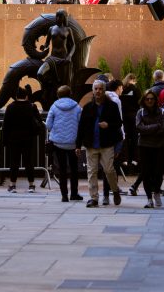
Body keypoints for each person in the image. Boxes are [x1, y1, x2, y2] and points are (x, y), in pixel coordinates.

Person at [76, 80, 122, 208]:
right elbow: (81, 127)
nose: (98, 91)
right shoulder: (87, 107)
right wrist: (78, 145)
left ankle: (115, 190)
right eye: (96, 89)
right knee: (92, 171)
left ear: (104, 90)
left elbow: (119, 123)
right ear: (93, 90)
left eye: (101, 89)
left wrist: (109, 125)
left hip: (107, 143)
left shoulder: (112, 106)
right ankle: (94, 198)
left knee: (109, 170)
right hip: (91, 144)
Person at [45, 86, 83, 202]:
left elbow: (48, 125)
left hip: (58, 143)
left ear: (58, 95)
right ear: (70, 94)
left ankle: (64, 195)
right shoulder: (77, 107)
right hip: (73, 143)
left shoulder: (54, 106)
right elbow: (81, 123)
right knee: (74, 169)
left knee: (62, 169)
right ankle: (74, 193)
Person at [3, 85, 43, 194]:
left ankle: (12, 185)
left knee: (14, 162)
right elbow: (39, 122)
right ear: (26, 96)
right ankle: (31, 185)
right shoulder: (32, 107)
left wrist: (5, 140)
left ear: (16, 96)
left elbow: (5, 125)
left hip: (13, 139)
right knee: (29, 162)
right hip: (28, 139)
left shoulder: (10, 107)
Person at [135, 90, 164, 208]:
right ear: (144, 100)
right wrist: (155, 126)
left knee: (158, 172)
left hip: (159, 146)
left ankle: (157, 192)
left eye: (152, 99)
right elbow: (139, 127)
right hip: (144, 146)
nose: (149, 101)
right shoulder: (140, 112)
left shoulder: (162, 112)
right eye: (147, 99)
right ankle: (149, 198)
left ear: (155, 100)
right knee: (145, 172)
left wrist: (147, 130)